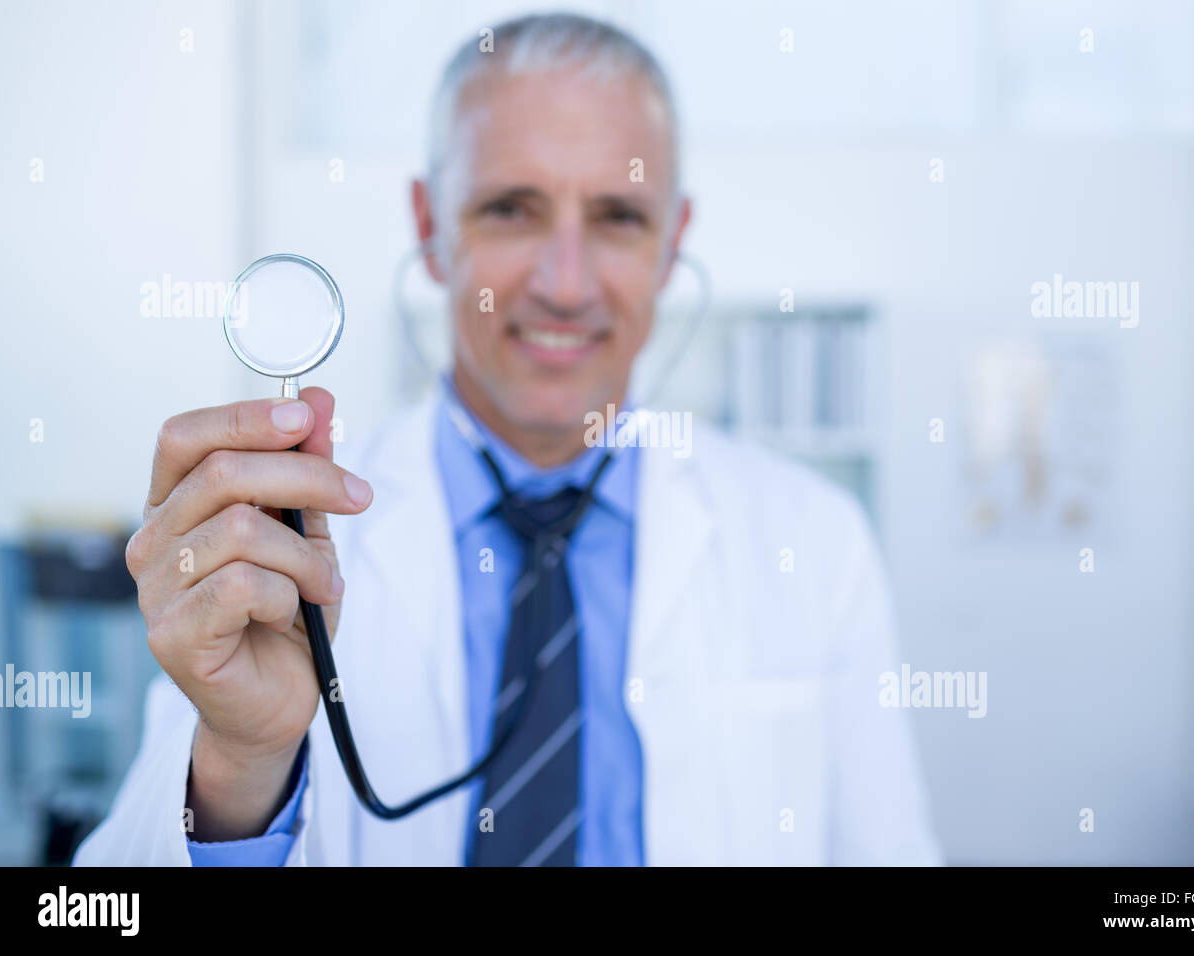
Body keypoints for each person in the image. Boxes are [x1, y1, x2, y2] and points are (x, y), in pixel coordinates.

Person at [74, 12, 941, 866]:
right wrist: (243, 758)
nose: (565, 285)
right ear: (429, 224)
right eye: (511, 210)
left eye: (618, 218)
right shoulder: (277, 548)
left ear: (673, 243)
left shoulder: (816, 543)